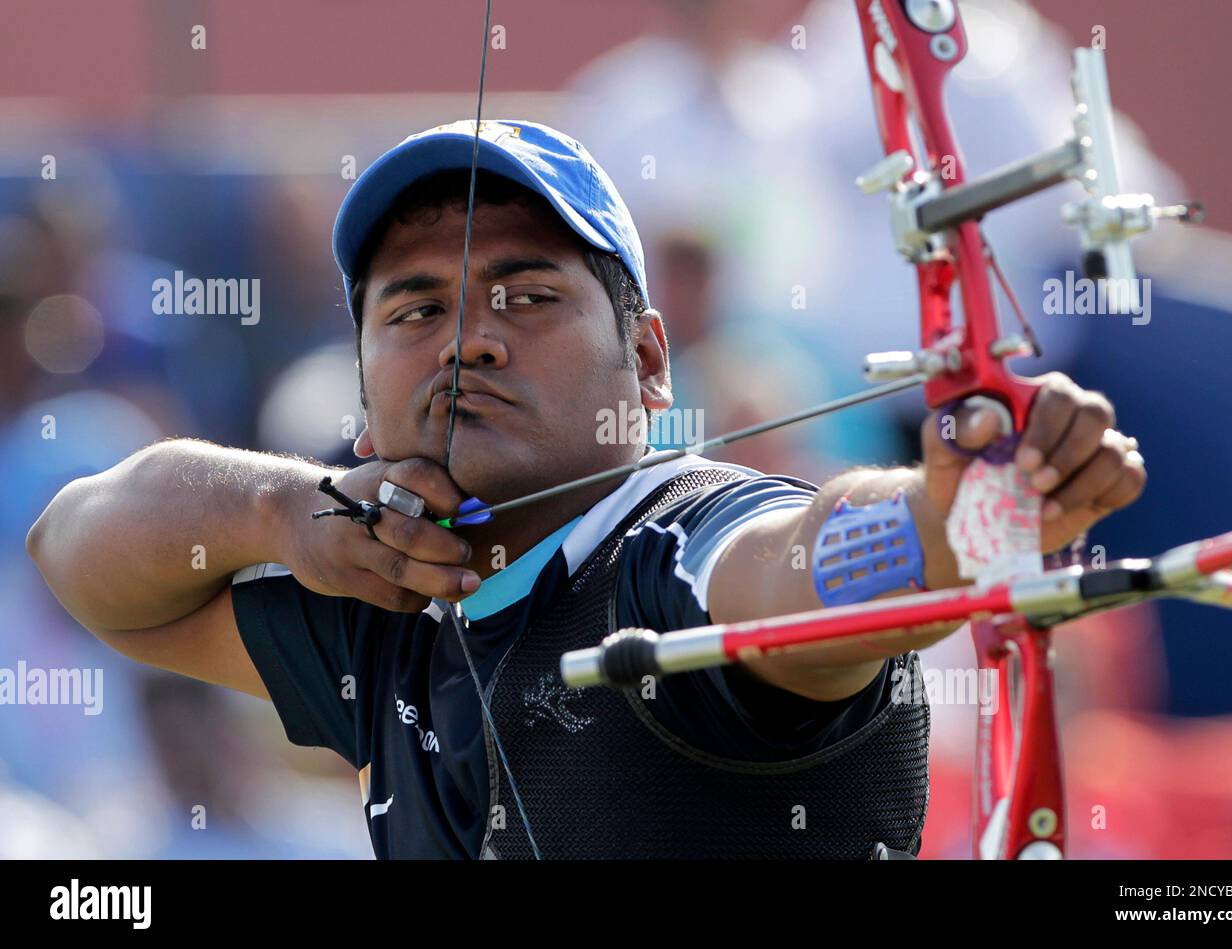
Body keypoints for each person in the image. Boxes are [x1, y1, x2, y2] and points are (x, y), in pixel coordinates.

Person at [26, 120, 1145, 859]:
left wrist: (959, 520)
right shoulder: (389, 604)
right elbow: (78, 552)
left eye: (525, 297)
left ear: (650, 362)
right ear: (364, 393)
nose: (469, 342)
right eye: (415, 311)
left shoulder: (685, 551)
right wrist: (279, 510)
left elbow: (806, 561)